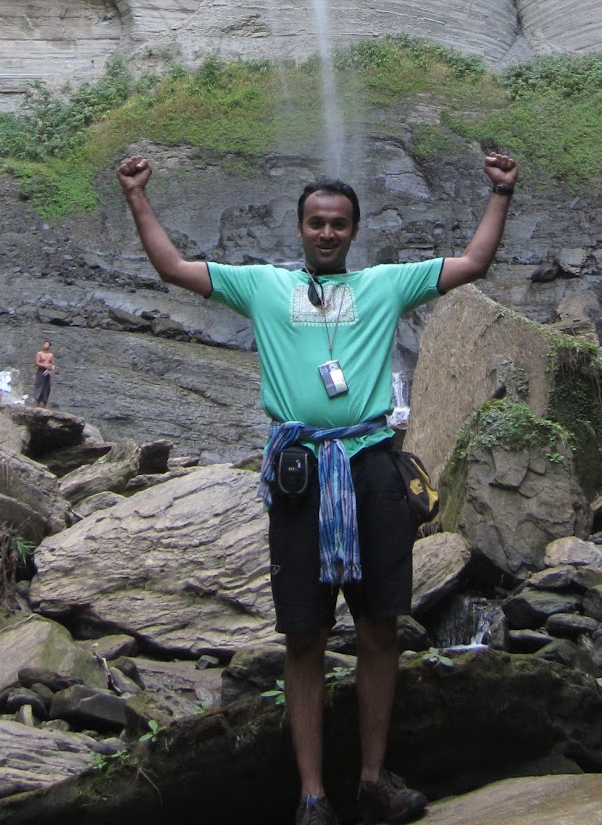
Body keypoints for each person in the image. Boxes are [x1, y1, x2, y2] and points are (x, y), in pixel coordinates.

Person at [117, 148, 520, 825]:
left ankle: (372, 779)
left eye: (338, 223)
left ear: (353, 230)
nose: (327, 232)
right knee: (303, 634)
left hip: (372, 468)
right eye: (316, 222)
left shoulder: (386, 285)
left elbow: (474, 263)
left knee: (379, 626)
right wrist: (136, 196)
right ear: (300, 227)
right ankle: (312, 794)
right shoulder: (263, 287)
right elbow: (172, 268)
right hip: (302, 474)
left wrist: (501, 193)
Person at [33, 339, 55, 407]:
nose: (46, 345)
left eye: (47, 344)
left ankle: (44, 402)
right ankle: (38, 401)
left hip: (47, 371)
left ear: (49, 346)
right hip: (41, 371)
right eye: (45, 344)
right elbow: (37, 363)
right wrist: (44, 365)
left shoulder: (51, 355)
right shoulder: (39, 353)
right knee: (39, 385)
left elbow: (52, 364)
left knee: (46, 386)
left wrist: (52, 368)